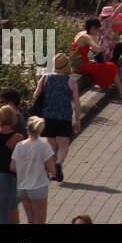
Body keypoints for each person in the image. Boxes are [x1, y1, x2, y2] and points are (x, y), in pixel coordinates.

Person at [30, 56, 82, 184]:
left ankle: (52, 173)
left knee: (51, 145)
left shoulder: (46, 77)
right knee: (63, 146)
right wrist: (78, 119)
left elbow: (35, 95)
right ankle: (58, 163)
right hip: (64, 117)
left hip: (48, 117)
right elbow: (76, 101)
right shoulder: (70, 81)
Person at [73, 18, 122, 98]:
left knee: (108, 65)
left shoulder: (81, 33)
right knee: (111, 66)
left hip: (76, 65)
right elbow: (97, 49)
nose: (97, 32)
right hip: (82, 66)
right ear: (93, 28)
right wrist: (107, 45)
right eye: (97, 30)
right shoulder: (87, 37)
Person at [11, 116, 55, 225]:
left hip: (22, 187)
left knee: (30, 219)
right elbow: (51, 169)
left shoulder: (19, 145)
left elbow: (13, 167)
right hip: (38, 186)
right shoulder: (44, 146)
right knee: (40, 220)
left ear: (27, 129)